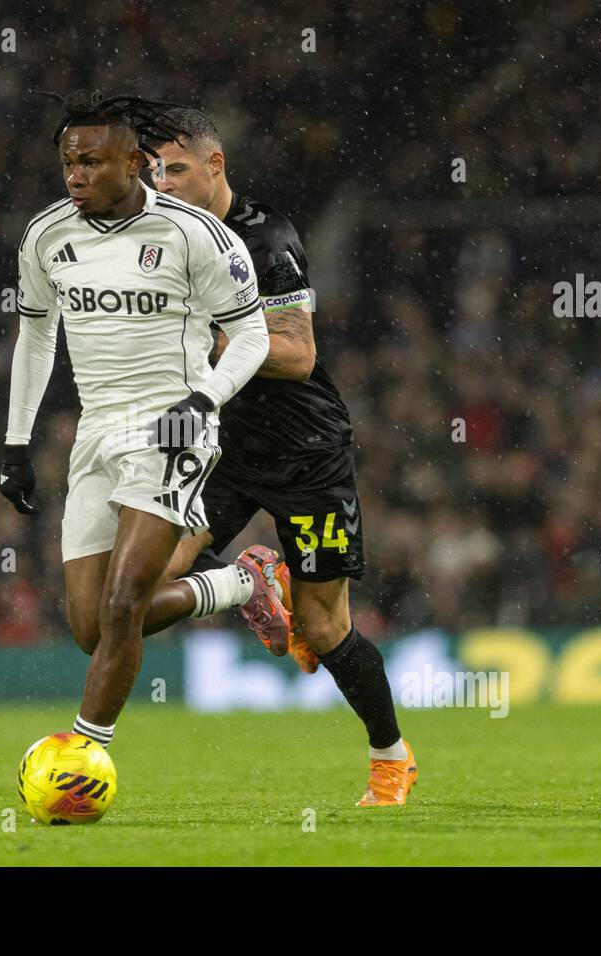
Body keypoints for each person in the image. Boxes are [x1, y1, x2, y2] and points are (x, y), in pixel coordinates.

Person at [143, 108, 416, 805]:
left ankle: (390, 758)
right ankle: (251, 582)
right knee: (149, 578)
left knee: (325, 628)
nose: (163, 183)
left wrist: (202, 338)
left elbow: (297, 354)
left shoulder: (265, 240)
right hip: (222, 450)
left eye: (176, 169)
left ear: (215, 166)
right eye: (154, 172)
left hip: (305, 452)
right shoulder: (164, 241)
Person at [0, 92, 275, 750]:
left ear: (135, 163)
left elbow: (254, 337)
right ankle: (241, 581)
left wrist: (204, 401)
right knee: (92, 627)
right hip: (96, 431)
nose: (75, 176)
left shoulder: (196, 235)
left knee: (124, 603)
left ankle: (82, 757)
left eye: (91, 162)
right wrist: (15, 443)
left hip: (173, 426)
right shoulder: (47, 236)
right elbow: (36, 339)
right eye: (67, 162)